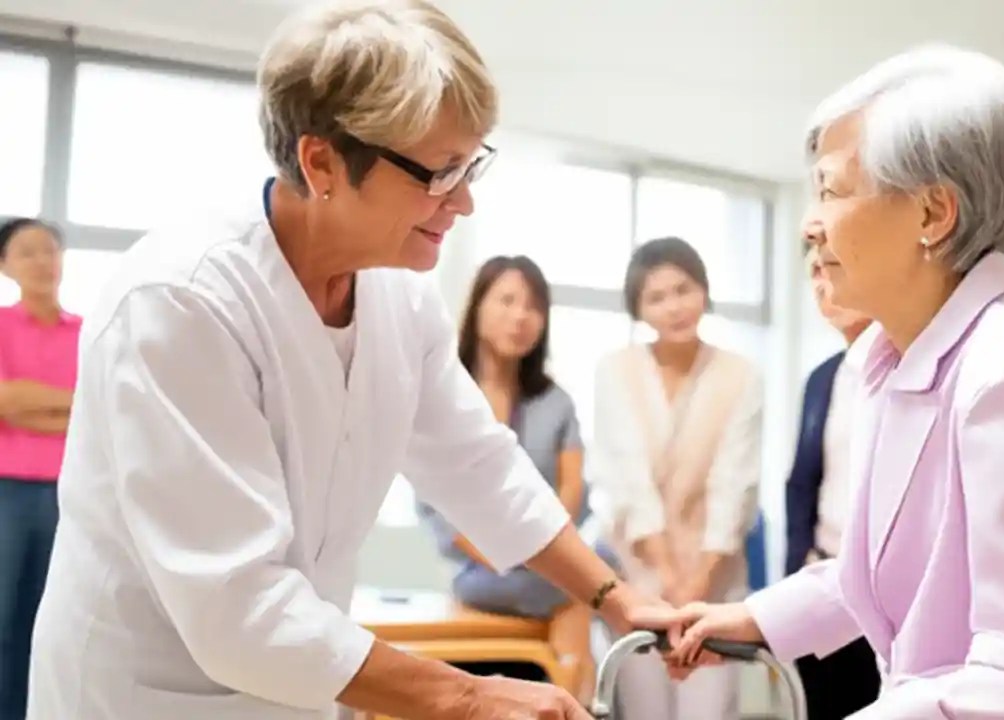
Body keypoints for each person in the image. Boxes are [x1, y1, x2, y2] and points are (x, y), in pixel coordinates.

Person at [25, 2, 674, 719]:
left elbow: (480, 467)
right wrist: (469, 695)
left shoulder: (398, 291)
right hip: (148, 693)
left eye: (471, 166)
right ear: (322, 162)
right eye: (439, 172)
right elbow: (234, 606)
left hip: (298, 683)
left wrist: (618, 598)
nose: (461, 202)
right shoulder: (180, 303)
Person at [667, 45, 1004, 719]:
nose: (811, 224)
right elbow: (897, 574)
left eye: (832, 190)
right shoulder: (896, 359)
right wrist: (758, 618)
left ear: (933, 215)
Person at [418, 254, 614, 699]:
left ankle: (571, 697)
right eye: (507, 300)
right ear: (478, 306)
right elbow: (442, 508)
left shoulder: (557, 403)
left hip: (552, 565)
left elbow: (572, 493)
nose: (520, 317)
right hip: (487, 575)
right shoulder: (445, 394)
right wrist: (524, 552)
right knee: (582, 587)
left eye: (533, 306)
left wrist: (540, 548)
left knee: (578, 592)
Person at [589, 237, 762, 720]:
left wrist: (694, 593)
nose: (674, 307)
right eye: (656, 297)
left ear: (703, 290)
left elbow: (736, 486)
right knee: (642, 711)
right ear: (638, 308)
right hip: (639, 586)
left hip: (717, 587)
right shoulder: (615, 371)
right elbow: (627, 482)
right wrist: (667, 589)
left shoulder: (741, 375)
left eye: (683, 289)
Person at [784, 242, 879, 719]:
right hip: (821, 580)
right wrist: (796, 567)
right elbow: (802, 482)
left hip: (881, 598)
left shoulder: (908, 367)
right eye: (816, 273)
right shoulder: (823, 377)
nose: (825, 285)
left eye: (837, 268)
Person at [0, 218, 80, 718]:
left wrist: (30, 406)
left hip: (70, 492)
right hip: (6, 489)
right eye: (26, 252)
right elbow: (4, 399)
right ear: (5, 265)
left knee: (49, 619)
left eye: (49, 250)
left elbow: (102, 407)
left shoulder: (87, 332)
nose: (42, 261)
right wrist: (70, 407)